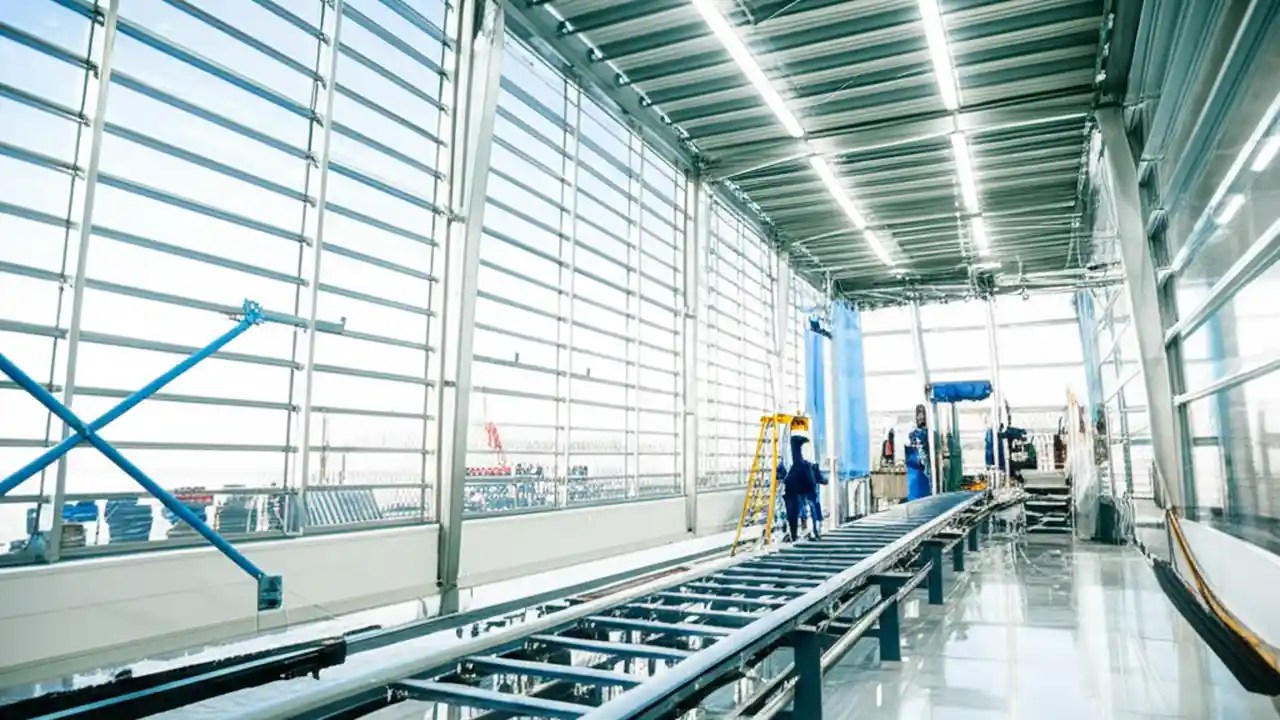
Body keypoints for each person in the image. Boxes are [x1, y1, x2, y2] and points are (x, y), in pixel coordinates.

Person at [782, 433, 825, 540]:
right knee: (811, 507)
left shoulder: (804, 466)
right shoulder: (808, 466)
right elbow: (821, 480)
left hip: (797, 487)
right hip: (802, 486)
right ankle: (812, 531)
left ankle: (796, 535)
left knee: (796, 511)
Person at [906, 404, 932, 500]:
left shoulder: (929, 433)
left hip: (927, 464)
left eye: (922, 414)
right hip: (917, 469)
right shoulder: (913, 434)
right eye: (918, 415)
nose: (920, 417)